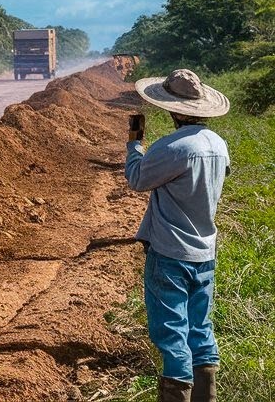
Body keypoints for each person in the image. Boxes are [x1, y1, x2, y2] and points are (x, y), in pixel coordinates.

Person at [126, 68, 230, 402]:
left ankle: (176, 394)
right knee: (200, 328)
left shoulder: (170, 147)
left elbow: (137, 180)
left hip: (170, 253)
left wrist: (134, 146)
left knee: (172, 333)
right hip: (205, 251)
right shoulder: (218, 144)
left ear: (172, 108)